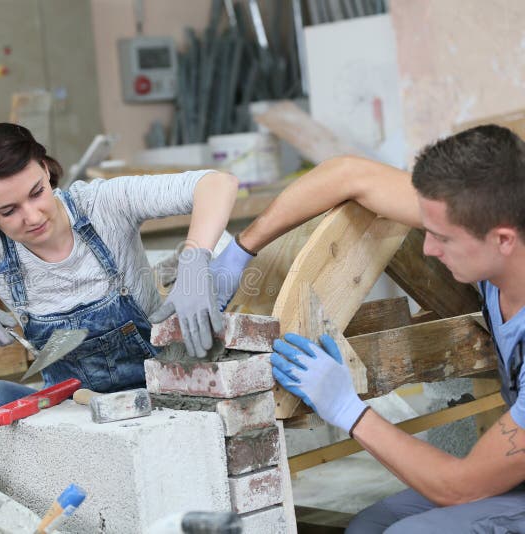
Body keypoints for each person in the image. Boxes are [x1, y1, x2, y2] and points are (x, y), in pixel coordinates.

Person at [211, 125, 525, 532]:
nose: (428, 247)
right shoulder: (487, 224)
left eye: (442, 238)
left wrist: (348, 409)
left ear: (503, 239)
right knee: (369, 526)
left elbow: (459, 487)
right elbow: (348, 175)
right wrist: (240, 251)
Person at [0, 123, 238, 425]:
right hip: (70, 405)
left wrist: (194, 261)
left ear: (46, 170)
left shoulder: (103, 204)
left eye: (37, 192)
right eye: (8, 210)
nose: (32, 217)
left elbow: (217, 183)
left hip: (159, 388)